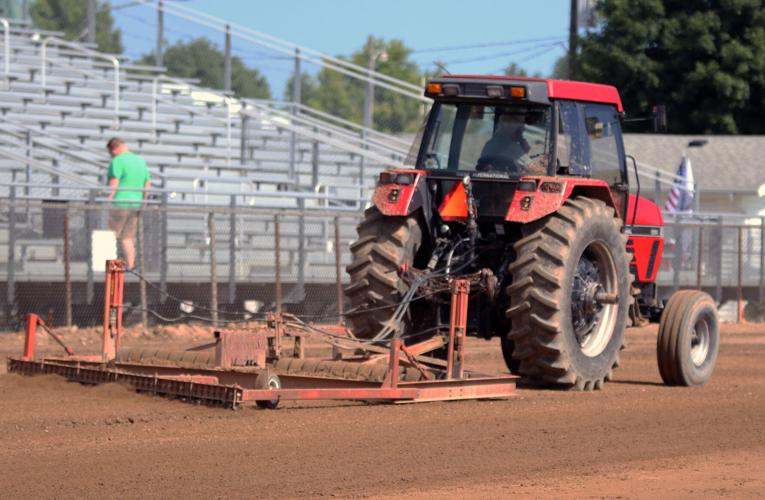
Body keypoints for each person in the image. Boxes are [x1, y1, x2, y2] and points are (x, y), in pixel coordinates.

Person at [106, 138, 150, 269]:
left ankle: (112, 265)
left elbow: (115, 181)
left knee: (111, 235)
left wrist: (108, 198)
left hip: (120, 202)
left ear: (114, 150)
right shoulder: (140, 160)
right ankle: (131, 265)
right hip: (136, 203)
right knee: (127, 237)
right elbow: (147, 183)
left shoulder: (118, 160)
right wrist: (144, 200)